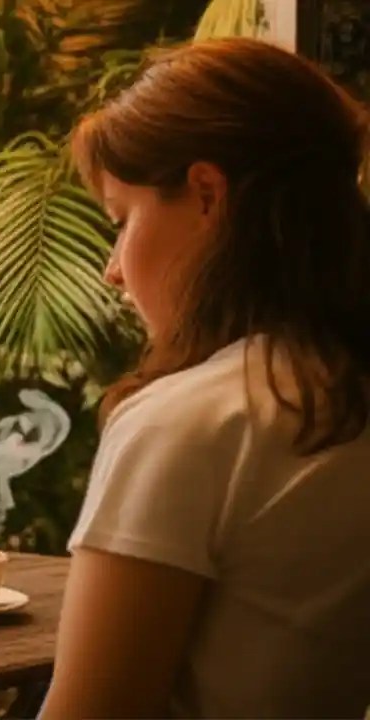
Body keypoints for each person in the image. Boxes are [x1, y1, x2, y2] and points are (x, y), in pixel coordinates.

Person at [38, 37, 370, 719]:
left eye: (122, 219)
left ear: (207, 196)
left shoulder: (192, 422)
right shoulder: (346, 395)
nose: (113, 269)